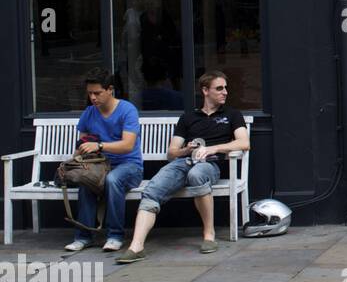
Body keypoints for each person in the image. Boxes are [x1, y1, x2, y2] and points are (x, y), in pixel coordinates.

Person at [116, 71, 249, 263]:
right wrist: (186, 149)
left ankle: (209, 235)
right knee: (152, 190)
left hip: (209, 164)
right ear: (205, 90)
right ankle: (136, 247)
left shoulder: (232, 115)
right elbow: (172, 153)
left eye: (225, 88)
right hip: (183, 162)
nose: (225, 92)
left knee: (197, 174)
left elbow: (244, 143)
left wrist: (213, 149)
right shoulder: (188, 117)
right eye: (219, 88)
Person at [64, 68, 143, 254]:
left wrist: (99, 146)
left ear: (110, 90)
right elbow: (82, 144)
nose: (93, 97)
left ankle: (115, 235)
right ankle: (83, 237)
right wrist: (77, 158)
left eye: (97, 93)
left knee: (112, 180)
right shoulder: (89, 112)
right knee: (86, 181)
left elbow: (127, 145)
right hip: (99, 165)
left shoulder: (127, 110)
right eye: (90, 93)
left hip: (129, 166)